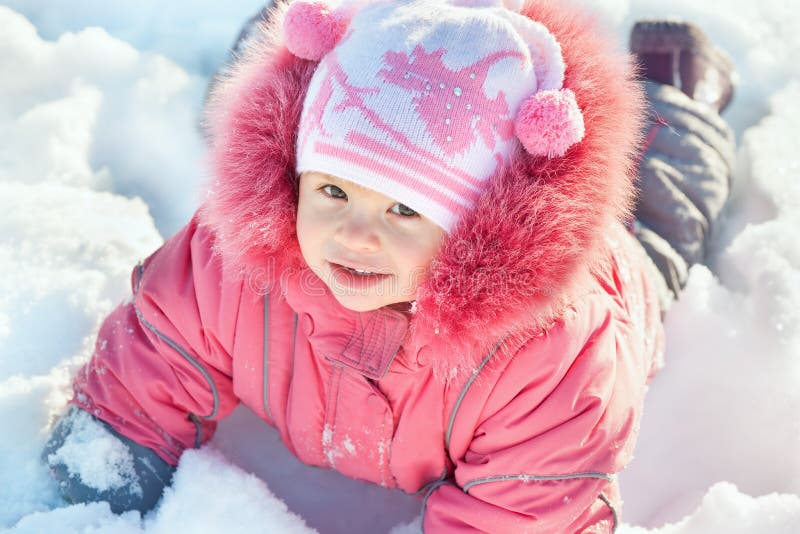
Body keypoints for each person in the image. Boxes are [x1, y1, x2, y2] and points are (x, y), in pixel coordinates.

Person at [42, 1, 736, 532]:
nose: (355, 235)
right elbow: (158, 353)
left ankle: (680, 92)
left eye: (404, 212)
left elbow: (531, 506)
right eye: (334, 192)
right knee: (242, 107)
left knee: (661, 212)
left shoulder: (552, 351)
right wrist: (111, 453)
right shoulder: (237, 260)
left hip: (603, 265)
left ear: (474, 228)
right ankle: (288, 41)